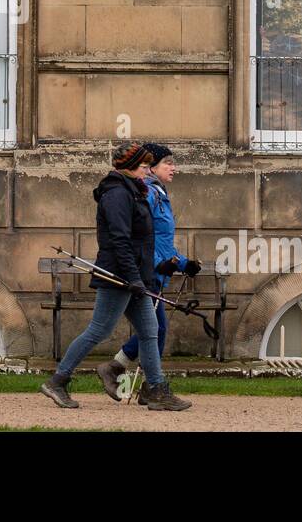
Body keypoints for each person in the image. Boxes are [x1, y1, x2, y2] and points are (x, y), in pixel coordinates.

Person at [39, 142, 192, 412]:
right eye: (144, 167)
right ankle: (58, 380)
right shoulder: (117, 193)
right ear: (131, 168)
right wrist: (134, 277)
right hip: (119, 276)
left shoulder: (134, 190)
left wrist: (145, 275)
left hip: (136, 277)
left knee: (150, 331)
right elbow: (121, 241)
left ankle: (156, 390)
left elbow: (143, 240)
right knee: (99, 330)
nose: (147, 171)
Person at [96, 142, 201, 405]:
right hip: (144, 273)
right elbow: (141, 238)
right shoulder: (149, 195)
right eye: (168, 163)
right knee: (154, 329)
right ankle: (129, 375)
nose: (173, 168)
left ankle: (145, 384)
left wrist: (182, 263)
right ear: (151, 168)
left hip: (153, 272)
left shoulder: (159, 194)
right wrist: (158, 265)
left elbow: (162, 241)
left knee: (155, 329)